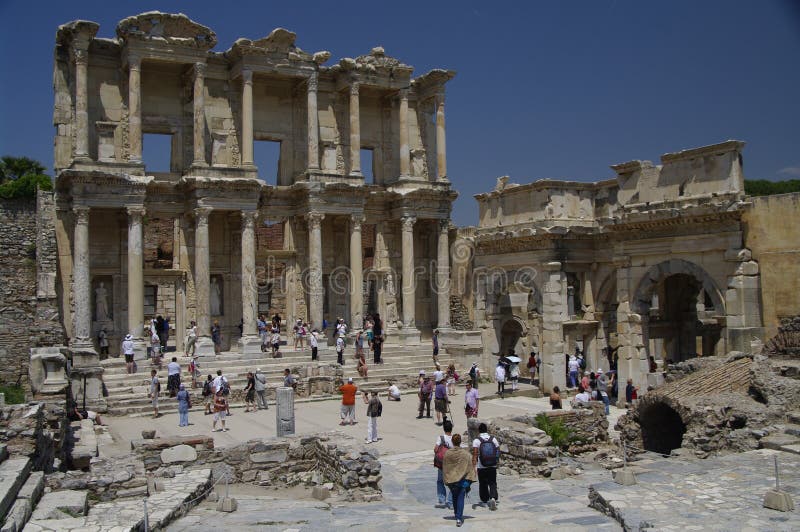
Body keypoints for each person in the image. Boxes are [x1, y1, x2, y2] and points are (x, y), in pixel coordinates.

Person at [443, 433, 476, 527]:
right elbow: (470, 467)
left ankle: (456, 513)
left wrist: (446, 478)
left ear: (452, 442)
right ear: (460, 441)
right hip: (462, 481)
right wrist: (469, 479)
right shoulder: (465, 454)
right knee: (460, 497)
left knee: (454, 496)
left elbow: (445, 467)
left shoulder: (448, 453)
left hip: (451, 480)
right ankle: (458, 517)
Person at [472, 422, 500, 511]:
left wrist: (474, 465)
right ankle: (493, 498)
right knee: (492, 482)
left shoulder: (477, 440)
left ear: (479, 431)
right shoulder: (493, 439)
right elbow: (498, 450)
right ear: (486, 430)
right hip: (492, 464)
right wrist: (496, 460)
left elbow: (475, 454)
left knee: (483, 483)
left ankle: (484, 499)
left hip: (482, 466)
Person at [434, 419, 454, 509]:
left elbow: (435, 449)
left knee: (440, 481)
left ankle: (442, 500)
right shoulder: (455, 438)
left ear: (444, 428)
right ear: (451, 429)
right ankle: (450, 502)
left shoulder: (441, 438)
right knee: (452, 483)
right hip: (451, 464)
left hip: (442, 463)